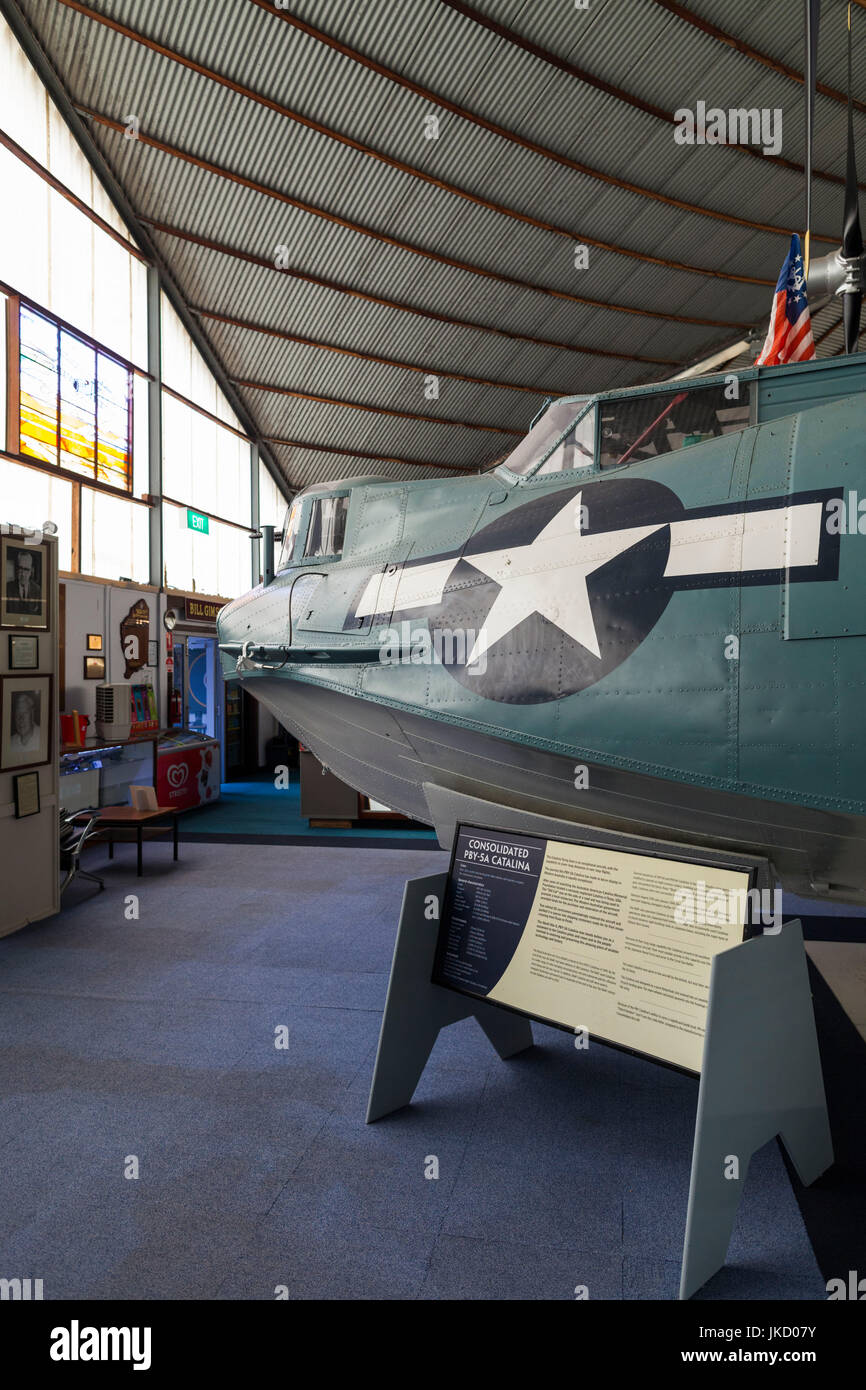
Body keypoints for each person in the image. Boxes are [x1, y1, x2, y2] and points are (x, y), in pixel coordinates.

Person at [6, 549, 42, 616]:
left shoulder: (37, 590)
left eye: (26, 569)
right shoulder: (7, 588)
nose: (23, 574)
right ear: (17, 569)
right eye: (20, 568)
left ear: (31, 571)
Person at [9, 691, 41, 759]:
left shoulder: (43, 737)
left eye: (25, 713)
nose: (21, 719)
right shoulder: (10, 743)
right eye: (18, 714)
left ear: (32, 714)